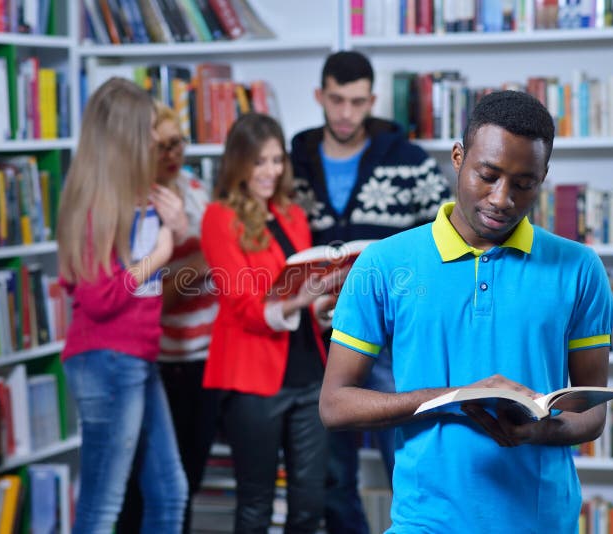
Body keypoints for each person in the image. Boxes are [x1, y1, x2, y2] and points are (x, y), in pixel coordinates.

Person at [319, 90, 613, 533]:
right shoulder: (384, 263)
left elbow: (591, 413)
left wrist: (537, 431)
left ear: (543, 177)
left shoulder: (579, 268)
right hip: (425, 522)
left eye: (524, 183)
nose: (502, 198)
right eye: (488, 175)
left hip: (542, 521)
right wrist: (453, 398)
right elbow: (335, 405)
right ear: (458, 157)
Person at [290, 50, 451, 533]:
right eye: (336, 100)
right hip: (316, 338)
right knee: (330, 474)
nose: (345, 113)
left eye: (357, 102)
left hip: (393, 341)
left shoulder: (410, 161)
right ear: (320, 96)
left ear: (373, 100)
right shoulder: (293, 159)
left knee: (408, 458)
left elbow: (442, 246)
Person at [56, 77, 187, 534]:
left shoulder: (140, 194)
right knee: (101, 507)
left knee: (170, 494)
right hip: (106, 361)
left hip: (137, 358)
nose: (157, 139)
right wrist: (162, 254)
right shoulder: (96, 202)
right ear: (125, 134)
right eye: (149, 128)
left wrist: (177, 230)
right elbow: (97, 298)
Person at [201, 112, 334, 533]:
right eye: (259, 161)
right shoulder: (219, 218)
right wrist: (299, 301)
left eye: (277, 160)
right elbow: (241, 306)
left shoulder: (293, 214)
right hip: (253, 380)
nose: (271, 171)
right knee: (256, 503)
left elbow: (300, 288)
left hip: (310, 371)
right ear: (238, 163)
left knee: (311, 500)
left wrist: (324, 302)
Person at [118, 103, 220, 534]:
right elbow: (145, 298)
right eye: (160, 147)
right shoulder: (132, 206)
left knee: (187, 483)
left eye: (177, 142)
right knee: (148, 490)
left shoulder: (195, 188)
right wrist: (202, 256)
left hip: (208, 357)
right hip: (162, 362)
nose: (172, 154)